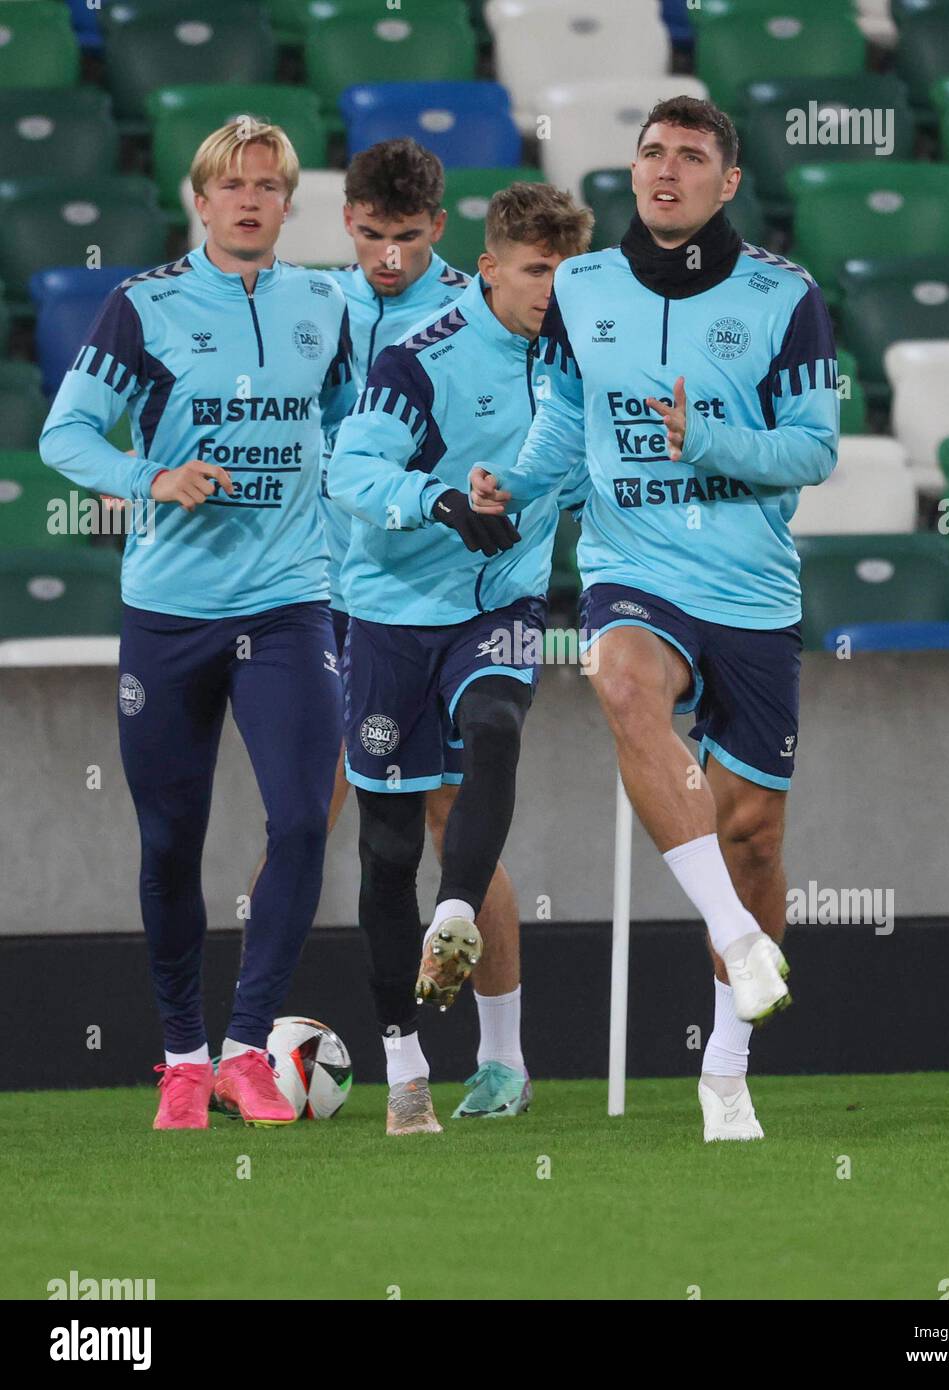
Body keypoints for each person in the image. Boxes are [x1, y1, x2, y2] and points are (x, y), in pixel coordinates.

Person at [470, 96, 839, 1142]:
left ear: (726, 184)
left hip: (750, 588)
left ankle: (725, 1066)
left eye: (689, 157)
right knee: (622, 684)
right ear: (630, 176)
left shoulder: (783, 295)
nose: (663, 171)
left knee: (752, 835)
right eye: (648, 155)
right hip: (631, 562)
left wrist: (712, 437)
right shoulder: (581, 288)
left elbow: (813, 449)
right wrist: (515, 491)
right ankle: (735, 932)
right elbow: (562, 431)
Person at [39, 121, 357, 1129]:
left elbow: (355, 429)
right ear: (200, 200)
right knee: (171, 840)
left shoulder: (327, 303)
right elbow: (65, 433)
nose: (251, 200)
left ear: (287, 202)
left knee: (304, 820)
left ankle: (246, 1048)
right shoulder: (146, 306)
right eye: (233, 186)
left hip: (289, 601)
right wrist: (151, 478)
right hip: (171, 613)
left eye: (268, 185)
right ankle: (180, 1059)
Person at [328, 183, 592, 1135]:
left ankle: (459, 927)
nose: (551, 294)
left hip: (505, 602)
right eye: (535, 272)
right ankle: (404, 1066)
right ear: (487, 266)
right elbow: (349, 471)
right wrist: (441, 502)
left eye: (568, 275)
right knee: (387, 844)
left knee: (493, 726)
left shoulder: (586, 365)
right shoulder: (418, 358)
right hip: (394, 609)